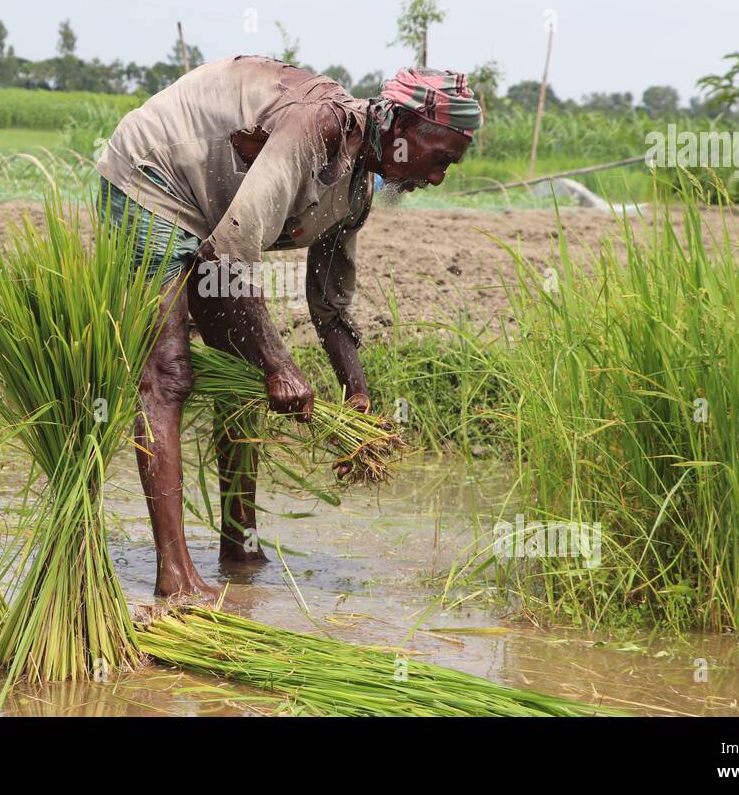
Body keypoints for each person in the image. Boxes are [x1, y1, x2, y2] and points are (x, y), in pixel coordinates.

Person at [97, 55, 482, 596]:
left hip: (217, 218)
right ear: (399, 124)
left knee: (240, 375)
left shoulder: (354, 192)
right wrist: (280, 364)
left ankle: (240, 544)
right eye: (439, 157)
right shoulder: (316, 127)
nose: (437, 177)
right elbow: (230, 258)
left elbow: (330, 305)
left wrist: (357, 390)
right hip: (154, 178)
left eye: (449, 167)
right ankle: (175, 579)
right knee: (168, 373)